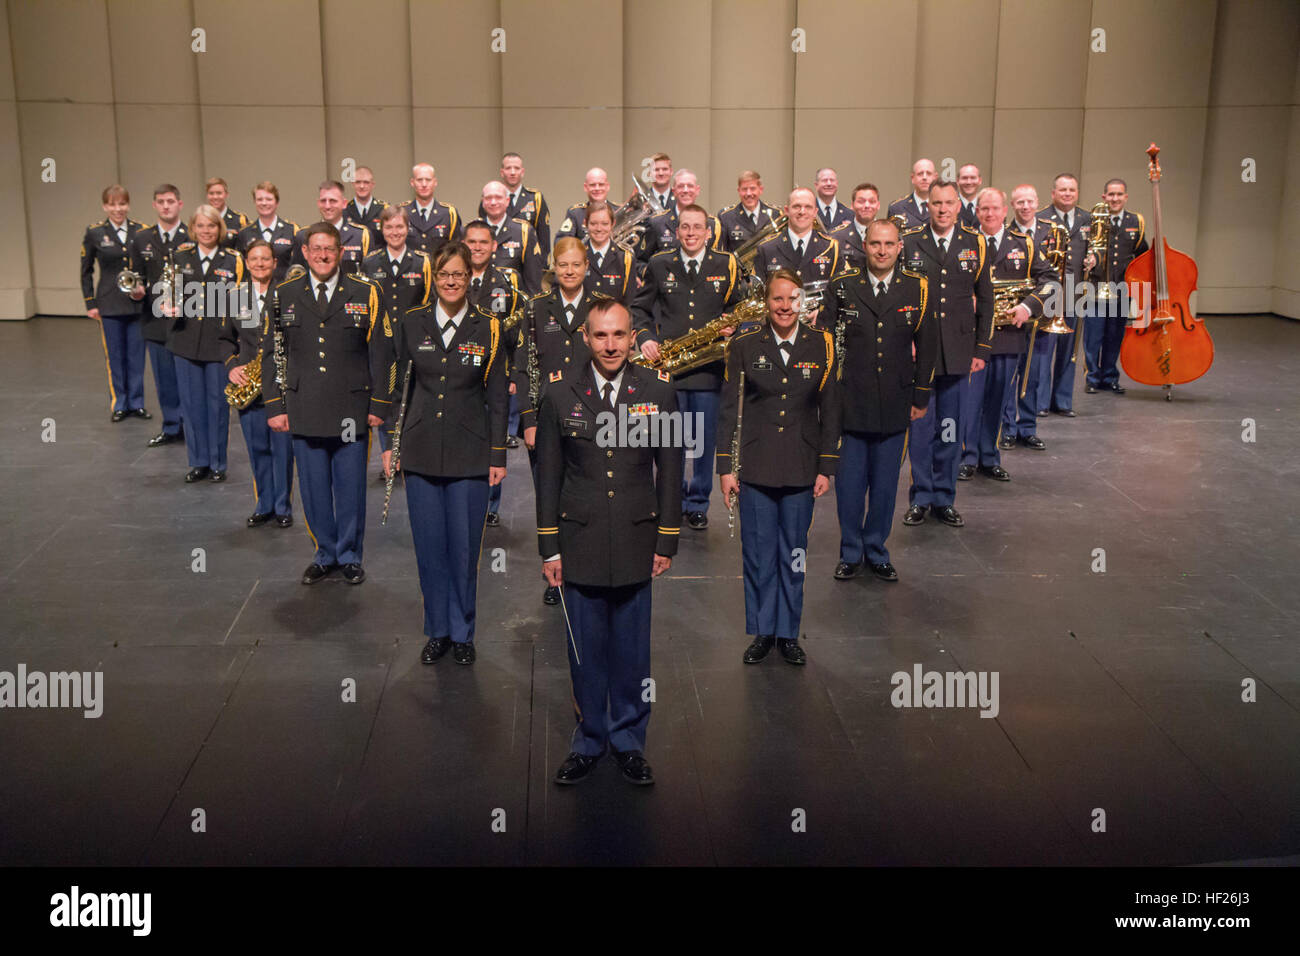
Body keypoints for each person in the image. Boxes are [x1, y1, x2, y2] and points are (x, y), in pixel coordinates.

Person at [535, 298, 682, 785]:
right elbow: (549, 475)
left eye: (619, 334)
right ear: (586, 338)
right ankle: (590, 738)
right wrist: (549, 547)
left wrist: (667, 537)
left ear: (631, 336)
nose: (611, 345)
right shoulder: (559, 395)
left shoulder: (658, 391)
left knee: (633, 653)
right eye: (601, 336)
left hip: (638, 535)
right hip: (580, 538)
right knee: (585, 652)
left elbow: (671, 468)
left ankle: (628, 740)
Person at [378, 241, 508, 665]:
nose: (451, 281)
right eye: (444, 274)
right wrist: (390, 446)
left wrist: (498, 456)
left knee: (465, 548)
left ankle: (463, 630)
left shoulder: (489, 326)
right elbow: (398, 384)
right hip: (418, 451)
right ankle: (437, 629)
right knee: (430, 547)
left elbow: (497, 396)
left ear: (470, 278)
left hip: (470, 454)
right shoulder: (412, 322)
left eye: (459, 274)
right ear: (434, 278)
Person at [716, 269, 839, 665]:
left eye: (792, 299)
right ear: (765, 303)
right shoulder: (744, 345)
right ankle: (763, 630)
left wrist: (826, 466)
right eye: (777, 300)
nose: (785, 307)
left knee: (794, 553)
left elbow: (831, 410)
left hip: (802, 465)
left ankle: (788, 632)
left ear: (802, 302)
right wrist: (725, 468)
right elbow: (728, 410)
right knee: (757, 553)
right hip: (756, 464)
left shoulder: (822, 344)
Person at [264, 222, 388, 586]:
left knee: (351, 487)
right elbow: (273, 353)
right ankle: (324, 552)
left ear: (341, 252)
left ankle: (349, 555)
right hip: (304, 406)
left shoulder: (365, 292)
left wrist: (380, 404)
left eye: (329, 249)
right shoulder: (283, 293)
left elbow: (381, 352)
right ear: (304, 252)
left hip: (352, 407)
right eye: (315, 249)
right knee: (313, 488)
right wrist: (275, 405)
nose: (322, 255)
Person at [823, 219, 937, 583]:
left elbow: (929, 344)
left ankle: (876, 549)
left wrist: (922, 394)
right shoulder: (842, 287)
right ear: (864, 246)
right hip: (850, 402)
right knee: (850, 486)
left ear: (900, 247)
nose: (882, 250)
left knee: (886, 486)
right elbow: (825, 345)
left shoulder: (917, 288)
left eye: (889, 244)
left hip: (896, 400)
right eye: (875, 244)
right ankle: (850, 551)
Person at [632, 204, 745, 530]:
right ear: (677, 231)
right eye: (686, 227)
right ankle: (671, 500)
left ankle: (697, 502)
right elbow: (640, 309)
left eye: (698, 227)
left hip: (710, 371)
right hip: (668, 369)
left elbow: (738, 306)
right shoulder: (658, 263)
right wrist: (645, 338)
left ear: (709, 232)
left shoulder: (727, 264)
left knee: (705, 442)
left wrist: (732, 324)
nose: (692, 232)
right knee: (669, 441)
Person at [514, 236, 603, 604]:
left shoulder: (601, 307)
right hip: (547, 420)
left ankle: (587, 568)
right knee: (550, 496)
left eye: (576, 265)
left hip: (594, 421)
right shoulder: (536, 308)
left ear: (586, 267)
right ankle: (556, 573)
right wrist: (529, 420)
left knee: (588, 496)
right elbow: (522, 368)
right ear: (554, 266)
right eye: (562, 265)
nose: (569, 271)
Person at [900, 179, 993, 528]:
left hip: (959, 352)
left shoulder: (975, 243)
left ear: (958, 206)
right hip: (919, 354)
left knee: (952, 429)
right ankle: (920, 497)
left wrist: (982, 347)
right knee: (921, 430)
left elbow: (985, 299)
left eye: (948, 203)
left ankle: (944, 496)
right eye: (936, 203)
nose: (942, 209)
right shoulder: (910, 242)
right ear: (928, 206)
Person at [958, 187, 1053, 483]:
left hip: (1008, 335)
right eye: (984, 209)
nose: (989, 213)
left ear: (1004, 211)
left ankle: (990, 456)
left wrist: (1028, 306)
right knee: (970, 400)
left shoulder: (1024, 244)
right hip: (971, 339)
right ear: (977, 212)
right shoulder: (965, 243)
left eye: (995, 208)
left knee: (999, 400)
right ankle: (967, 456)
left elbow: (1050, 280)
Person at [167, 205, 244, 482]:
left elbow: (240, 300)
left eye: (211, 226)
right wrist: (167, 306)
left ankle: (217, 463)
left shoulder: (233, 259)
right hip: (186, 339)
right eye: (200, 226)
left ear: (219, 228)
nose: (206, 231)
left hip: (218, 342)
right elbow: (170, 293)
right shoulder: (181, 256)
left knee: (217, 404)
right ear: (193, 229)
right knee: (191, 404)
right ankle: (198, 461)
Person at [222, 240, 294, 528]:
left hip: (281, 383)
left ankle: (283, 506)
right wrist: (231, 367)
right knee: (257, 448)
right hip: (249, 384)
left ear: (275, 263)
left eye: (266, 259)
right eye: (254, 259)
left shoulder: (288, 295)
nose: (260, 264)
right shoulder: (232, 295)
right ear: (246, 263)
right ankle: (264, 503)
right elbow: (223, 338)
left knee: (283, 451)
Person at [362, 205, 433, 483]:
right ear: (382, 229)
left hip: (412, 342)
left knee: (413, 396)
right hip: (380, 341)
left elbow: (428, 304)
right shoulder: (370, 263)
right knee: (385, 398)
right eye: (389, 227)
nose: (395, 232)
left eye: (400, 227)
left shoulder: (422, 262)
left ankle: (413, 454)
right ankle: (390, 456)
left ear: (408, 229)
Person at [461, 218, 524, 524]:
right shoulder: (451, 278)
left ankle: (490, 505)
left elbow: (517, 333)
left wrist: (513, 374)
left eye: (483, 242)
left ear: (494, 246)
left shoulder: (506, 284)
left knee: (494, 433)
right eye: (471, 242)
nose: (477, 247)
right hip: (460, 372)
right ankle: (465, 494)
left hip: (495, 372)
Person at [82, 184, 148, 422]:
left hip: (136, 304)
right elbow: (86, 270)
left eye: (122, 204)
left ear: (128, 205)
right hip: (109, 304)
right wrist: (90, 303)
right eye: (112, 204)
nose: (118, 209)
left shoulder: (141, 231)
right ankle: (120, 402)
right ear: (105, 206)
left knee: (136, 355)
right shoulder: (95, 233)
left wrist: (145, 290)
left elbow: (148, 266)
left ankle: (137, 402)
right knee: (115, 356)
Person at [130, 184, 188, 446]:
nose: (166, 206)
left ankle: (191, 425)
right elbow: (137, 275)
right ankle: (172, 425)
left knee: (187, 377)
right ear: (154, 205)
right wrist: (136, 291)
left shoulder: (192, 235)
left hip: (187, 319)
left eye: (171, 201)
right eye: (161, 202)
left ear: (180, 204)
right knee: (164, 377)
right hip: (155, 320)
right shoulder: (142, 239)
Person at [1002, 184, 1056, 450]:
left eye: (1030, 201)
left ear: (1038, 203)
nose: (1025, 206)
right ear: (1012, 205)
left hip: (1041, 314)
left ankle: (1028, 428)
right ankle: (1008, 428)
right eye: (1020, 202)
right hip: (1010, 317)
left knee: (1032, 376)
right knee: (1010, 376)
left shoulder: (1051, 231)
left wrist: (1034, 303)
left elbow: (1057, 274)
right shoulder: (1004, 234)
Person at [1083, 178, 1147, 395]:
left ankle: (1110, 376)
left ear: (1126, 197)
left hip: (1121, 290)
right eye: (1111, 194)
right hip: (1095, 288)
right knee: (1093, 336)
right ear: (1104, 197)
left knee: (1114, 335)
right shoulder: (1093, 220)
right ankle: (1091, 377)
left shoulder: (1136, 221)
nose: (1115, 199)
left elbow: (1141, 255)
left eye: (1119, 194)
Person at [1038, 173, 1091, 417]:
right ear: (1053, 193)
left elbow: (1096, 248)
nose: (1067, 193)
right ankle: (1039, 403)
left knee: (1069, 352)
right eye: (1062, 190)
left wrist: (1095, 259)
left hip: (1076, 293)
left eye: (1071, 189)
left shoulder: (1087, 218)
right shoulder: (1041, 219)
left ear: (1077, 192)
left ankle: (1063, 401)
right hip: (1049, 296)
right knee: (1044, 351)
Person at [752, 187, 841, 288]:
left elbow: (840, 290)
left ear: (815, 212)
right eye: (796, 206)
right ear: (786, 210)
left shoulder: (831, 248)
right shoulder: (766, 249)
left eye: (808, 207)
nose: (802, 212)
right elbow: (758, 294)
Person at [636, 168, 723, 261]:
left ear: (697, 190)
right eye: (681, 186)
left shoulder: (712, 224)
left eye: (690, 186)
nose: (685, 190)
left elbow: (716, 261)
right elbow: (641, 261)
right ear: (674, 191)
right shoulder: (657, 223)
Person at [478, 152, 551, 257]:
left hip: (526, 258)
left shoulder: (535, 198)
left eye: (516, 168)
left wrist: (543, 268)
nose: (512, 172)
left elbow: (543, 237)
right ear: (502, 172)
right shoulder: (490, 199)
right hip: (497, 258)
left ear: (522, 172)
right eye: (508, 168)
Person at [291, 180, 369, 274]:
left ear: (344, 203)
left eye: (333, 201)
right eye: (323, 201)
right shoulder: (303, 235)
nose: (327, 206)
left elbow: (369, 272)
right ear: (318, 203)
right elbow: (297, 274)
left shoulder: (360, 235)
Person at [480, 180, 544, 295]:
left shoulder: (523, 231)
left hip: (514, 303)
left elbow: (533, 279)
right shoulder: (472, 231)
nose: (493, 202)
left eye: (498, 197)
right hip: (480, 304)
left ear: (507, 201)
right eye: (488, 198)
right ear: (483, 202)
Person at [236, 181, 298, 282]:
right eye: (260, 199)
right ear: (255, 202)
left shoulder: (291, 230)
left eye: (269, 199)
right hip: (255, 291)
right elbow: (242, 268)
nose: (264, 203)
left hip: (284, 289)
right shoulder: (244, 233)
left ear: (276, 202)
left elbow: (296, 266)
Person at [400, 163, 461, 257]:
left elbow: (456, 248)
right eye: (419, 180)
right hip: (411, 270)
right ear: (412, 182)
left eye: (428, 180)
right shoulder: (402, 212)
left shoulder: (449, 214)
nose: (424, 184)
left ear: (435, 182)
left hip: (438, 270)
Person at [581, 201, 635, 299]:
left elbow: (629, 302)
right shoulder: (577, 255)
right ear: (585, 223)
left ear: (613, 224)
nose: (599, 229)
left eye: (605, 224)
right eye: (593, 224)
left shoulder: (625, 258)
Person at [717, 170, 780, 254]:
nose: (749, 193)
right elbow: (722, 254)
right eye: (744, 189)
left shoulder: (776, 214)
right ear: (739, 191)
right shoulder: (726, 217)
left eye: (752, 188)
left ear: (760, 190)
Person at [828, 181, 882, 272]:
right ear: (852, 205)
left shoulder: (890, 235)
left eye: (872, 201)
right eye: (861, 201)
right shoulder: (836, 237)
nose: (867, 205)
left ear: (878, 205)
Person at [557, 167, 621, 240]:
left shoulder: (619, 210)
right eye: (592, 185)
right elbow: (561, 242)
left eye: (601, 184)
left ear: (607, 186)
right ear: (585, 187)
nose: (597, 188)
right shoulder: (575, 213)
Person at [345, 166, 388, 248]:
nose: (362, 186)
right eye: (358, 182)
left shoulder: (384, 210)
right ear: (353, 184)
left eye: (366, 182)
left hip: (378, 259)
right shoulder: (344, 210)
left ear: (372, 185)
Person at [888, 159, 936, 228]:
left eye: (929, 173)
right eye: (920, 174)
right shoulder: (897, 208)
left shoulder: (942, 207)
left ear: (935, 177)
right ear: (912, 178)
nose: (924, 177)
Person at [204, 177, 248, 249]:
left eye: (219, 193)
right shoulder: (201, 220)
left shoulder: (239, 220)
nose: (215, 197)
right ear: (207, 195)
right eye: (211, 193)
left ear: (226, 194)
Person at [956, 164, 983, 228]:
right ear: (957, 181)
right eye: (964, 178)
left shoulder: (986, 205)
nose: (969, 182)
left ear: (980, 180)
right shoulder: (950, 205)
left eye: (973, 178)